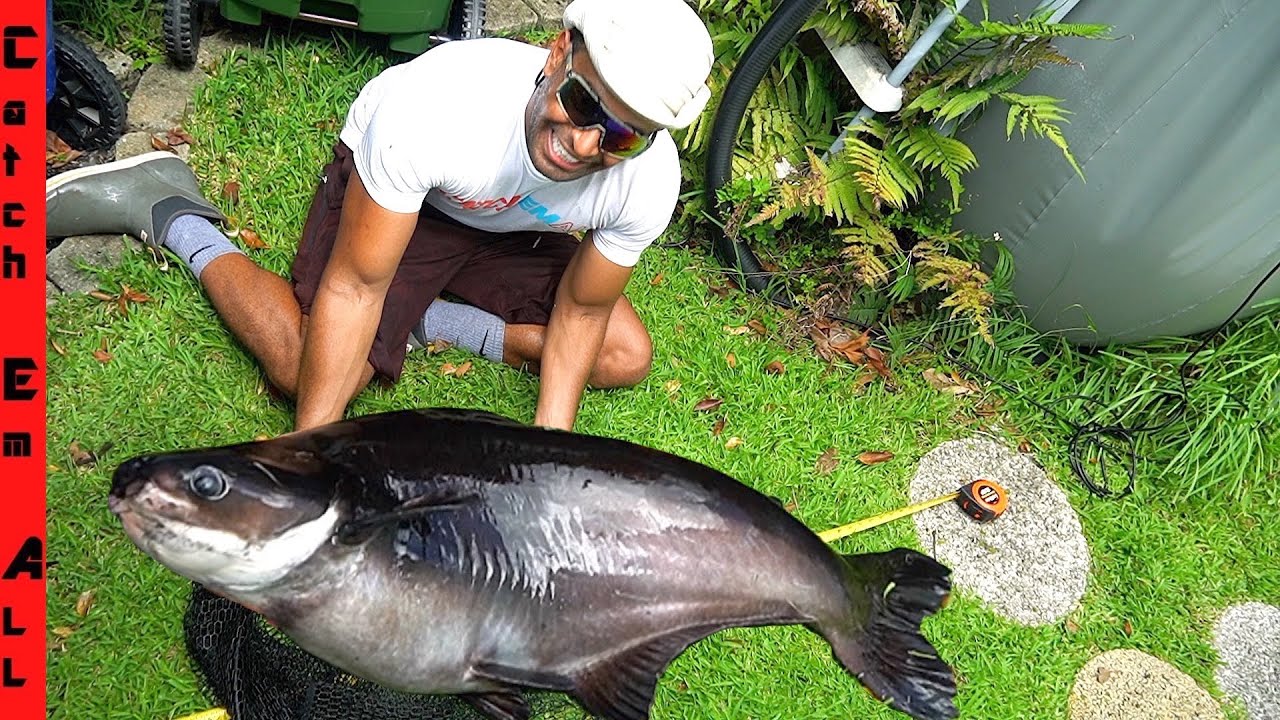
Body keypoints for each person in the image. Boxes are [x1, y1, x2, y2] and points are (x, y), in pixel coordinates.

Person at [45, 0, 713, 432]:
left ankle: (427, 317)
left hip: (512, 222)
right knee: (306, 368)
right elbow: (355, 287)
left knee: (623, 356)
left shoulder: (644, 180)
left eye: (626, 135)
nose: (590, 145)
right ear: (559, 53)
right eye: (584, 104)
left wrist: (551, 451)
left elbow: (585, 313)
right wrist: (311, 458)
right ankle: (174, 213)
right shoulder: (436, 109)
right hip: (410, 202)